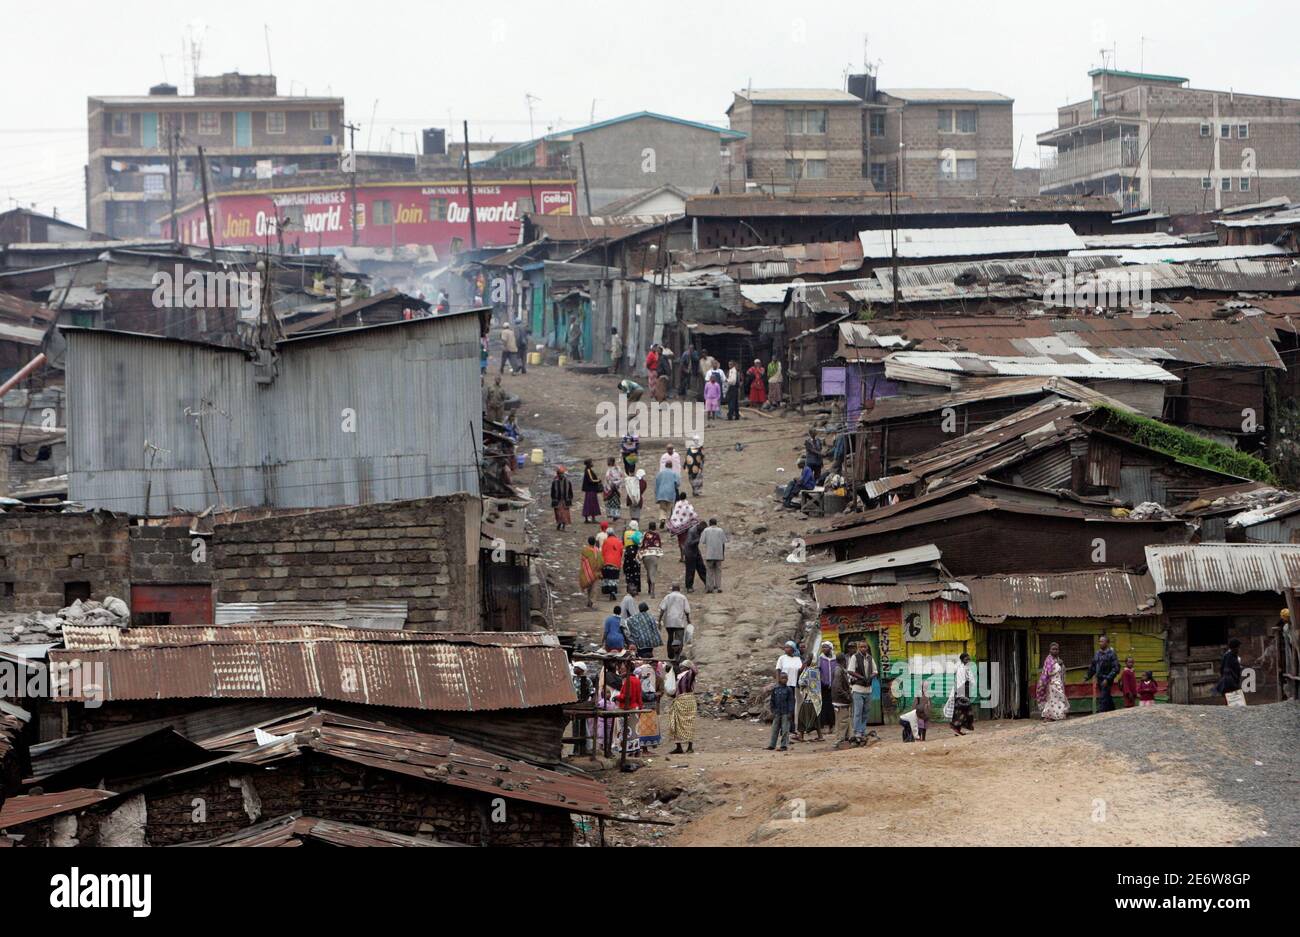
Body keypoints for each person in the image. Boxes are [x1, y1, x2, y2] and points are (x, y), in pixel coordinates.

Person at [845, 641, 877, 742]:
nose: (863, 648)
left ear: (867, 648)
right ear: (859, 648)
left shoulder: (870, 658)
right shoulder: (855, 657)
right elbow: (850, 670)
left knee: (866, 711)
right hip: (858, 688)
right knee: (858, 712)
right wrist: (862, 677)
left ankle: (862, 730)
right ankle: (857, 732)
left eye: (865, 647)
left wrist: (870, 677)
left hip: (868, 689)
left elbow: (875, 671)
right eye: (861, 647)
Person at [667, 659, 698, 754]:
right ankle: (678, 747)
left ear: (687, 667)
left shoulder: (689, 674)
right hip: (678, 700)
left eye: (683, 666)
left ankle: (690, 747)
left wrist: (690, 664)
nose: (681, 668)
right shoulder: (679, 677)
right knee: (675, 723)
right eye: (680, 667)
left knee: (688, 723)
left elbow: (695, 671)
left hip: (687, 701)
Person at [1086, 635, 1120, 713]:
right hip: (1100, 678)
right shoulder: (1097, 653)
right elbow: (1093, 666)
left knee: (1103, 696)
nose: (1100, 643)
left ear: (1107, 643)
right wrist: (1087, 676)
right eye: (1099, 641)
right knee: (1106, 695)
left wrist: (1108, 679)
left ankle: (1101, 713)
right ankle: (1112, 711)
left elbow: (1116, 668)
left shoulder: (1112, 654)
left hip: (1107, 679)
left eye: (1102, 641)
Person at [1036, 641, 1069, 722]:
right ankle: (1048, 716)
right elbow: (1048, 672)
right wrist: (1056, 664)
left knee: (1059, 699)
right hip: (1052, 684)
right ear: (1050, 650)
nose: (1055, 651)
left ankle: (1059, 715)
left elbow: (1062, 671)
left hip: (1059, 683)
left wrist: (1061, 664)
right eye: (1053, 649)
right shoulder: (1049, 660)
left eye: (1057, 649)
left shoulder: (1058, 660)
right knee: (1052, 700)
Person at [658, 585, 691, 660]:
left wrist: (659, 620)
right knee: (679, 639)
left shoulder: (667, 597)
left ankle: (670, 654)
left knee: (670, 638)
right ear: (679, 589)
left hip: (669, 622)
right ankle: (677, 654)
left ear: (672, 589)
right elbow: (687, 610)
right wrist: (688, 620)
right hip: (679, 622)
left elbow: (662, 609)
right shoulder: (683, 597)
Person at [947, 652, 976, 735]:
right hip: (961, 692)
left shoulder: (967, 668)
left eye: (969, 658)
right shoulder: (960, 668)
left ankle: (957, 730)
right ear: (962, 660)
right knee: (961, 710)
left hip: (965, 692)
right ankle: (956, 727)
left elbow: (971, 680)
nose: (968, 660)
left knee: (963, 711)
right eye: (966, 658)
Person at [796, 659, 823, 742]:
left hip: (809, 697)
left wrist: (800, 671)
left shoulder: (809, 671)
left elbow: (801, 682)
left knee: (802, 715)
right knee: (815, 717)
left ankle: (801, 735)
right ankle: (820, 735)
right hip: (816, 698)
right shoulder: (816, 670)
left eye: (808, 659)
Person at [667, 492, 699, 561]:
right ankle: (686, 556)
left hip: (678, 526)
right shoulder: (687, 504)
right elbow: (692, 513)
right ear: (685, 497)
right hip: (687, 527)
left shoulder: (677, 504)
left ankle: (682, 557)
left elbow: (674, 513)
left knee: (681, 542)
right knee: (686, 541)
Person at [767, 672, 795, 751]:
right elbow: (772, 701)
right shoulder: (775, 689)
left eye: (786, 678)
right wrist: (773, 710)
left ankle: (784, 746)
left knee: (785, 729)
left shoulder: (789, 690)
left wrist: (790, 712)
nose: (784, 680)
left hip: (786, 713)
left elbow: (791, 702)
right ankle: (772, 745)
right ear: (779, 679)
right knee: (775, 729)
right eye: (783, 678)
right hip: (777, 712)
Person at [637, 661, 661, 749]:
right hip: (645, 709)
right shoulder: (643, 682)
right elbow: (644, 696)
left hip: (649, 709)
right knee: (645, 731)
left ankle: (646, 749)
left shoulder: (646, 681)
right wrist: (655, 695)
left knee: (649, 729)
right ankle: (645, 749)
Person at [699, 518, 726, 594]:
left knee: (709, 571)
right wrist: (723, 554)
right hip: (718, 554)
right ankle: (718, 587)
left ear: (709, 523)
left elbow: (702, 541)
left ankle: (710, 588)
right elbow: (723, 542)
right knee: (718, 571)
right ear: (716, 523)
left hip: (709, 554)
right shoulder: (720, 530)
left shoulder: (706, 530)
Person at [683, 520, 709, 594]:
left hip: (696, 550)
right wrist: (699, 540)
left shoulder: (700, 530)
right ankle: (689, 587)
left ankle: (708, 583)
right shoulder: (692, 531)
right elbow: (689, 543)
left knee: (702, 568)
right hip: (689, 552)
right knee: (690, 570)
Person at [817, 641, 837, 734]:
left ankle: (832, 725)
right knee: (824, 706)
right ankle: (824, 726)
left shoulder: (835, 658)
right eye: (823, 647)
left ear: (830, 648)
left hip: (833, 685)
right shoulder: (820, 658)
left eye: (826, 647)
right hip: (823, 685)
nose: (824, 649)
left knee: (833, 706)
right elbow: (817, 671)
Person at [832, 652, 853, 741]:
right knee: (842, 721)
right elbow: (838, 688)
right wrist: (847, 696)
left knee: (844, 720)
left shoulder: (839, 669)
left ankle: (847, 738)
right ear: (844, 661)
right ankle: (839, 740)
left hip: (840, 700)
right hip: (841, 701)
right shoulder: (839, 671)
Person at [639, 522, 663, 597]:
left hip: (646, 555)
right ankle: (652, 590)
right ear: (655, 527)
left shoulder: (645, 534)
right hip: (654, 555)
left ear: (648, 527)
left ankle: (649, 588)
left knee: (648, 571)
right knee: (652, 573)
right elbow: (659, 545)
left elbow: (640, 544)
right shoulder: (657, 535)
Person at [579, 536, 601, 609]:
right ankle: (592, 601)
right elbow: (600, 561)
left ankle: (589, 600)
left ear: (588, 542)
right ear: (594, 542)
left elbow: (583, 561)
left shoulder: (584, 550)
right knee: (594, 588)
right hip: (595, 572)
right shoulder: (597, 551)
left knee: (589, 587)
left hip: (587, 572)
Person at [622, 521, 643, 595]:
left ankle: (629, 588)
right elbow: (641, 544)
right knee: (636, 571)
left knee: (628, 571)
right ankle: (636, 589)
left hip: (628, 553)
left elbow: (623, 542)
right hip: (635, 553)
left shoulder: (626, 533)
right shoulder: (638, 533)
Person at [550, 465, 573, 531]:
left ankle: (563, 527)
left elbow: (570, 491)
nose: (561, 475)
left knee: (565, 514)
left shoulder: (568, 482)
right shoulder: (555, 482)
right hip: (558, 501)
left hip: (565, 500)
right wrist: (554, 499)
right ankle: (559, 524)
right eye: (560, 474)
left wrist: (570, 498)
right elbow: (552, 492)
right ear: (558, 474)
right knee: (559, 514)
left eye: (562, 474)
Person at [601, 531, 624, 597]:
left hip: (606, 562)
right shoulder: (619, 541)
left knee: (607, 577)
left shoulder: (605, 541)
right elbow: (621, 552)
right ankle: (613, 590)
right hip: (616, 563)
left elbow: (602, 552)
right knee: (614, 578)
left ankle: (606, 590)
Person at [581, 459, 602, 523]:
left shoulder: (587, 470)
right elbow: (591, 480)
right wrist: (598, 480)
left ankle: (587, 519)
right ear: (589, 464)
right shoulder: (588, 470)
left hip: (589, 490)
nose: (592, 463)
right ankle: (593, 519)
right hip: (591, 490)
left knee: (587, 504)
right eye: (591, 462)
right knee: (592, 504)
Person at [602, 457, 623, 522]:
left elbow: (609, 479)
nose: (607, 462)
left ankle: (614, 516)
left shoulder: (613, 469)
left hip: (612, 488)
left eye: (608, 461)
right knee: (615, 502)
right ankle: (615, 515)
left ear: (611, 462)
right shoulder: (618, 468)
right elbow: (621, 478)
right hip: (616, 488)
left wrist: (612, 484)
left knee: (613, 502)